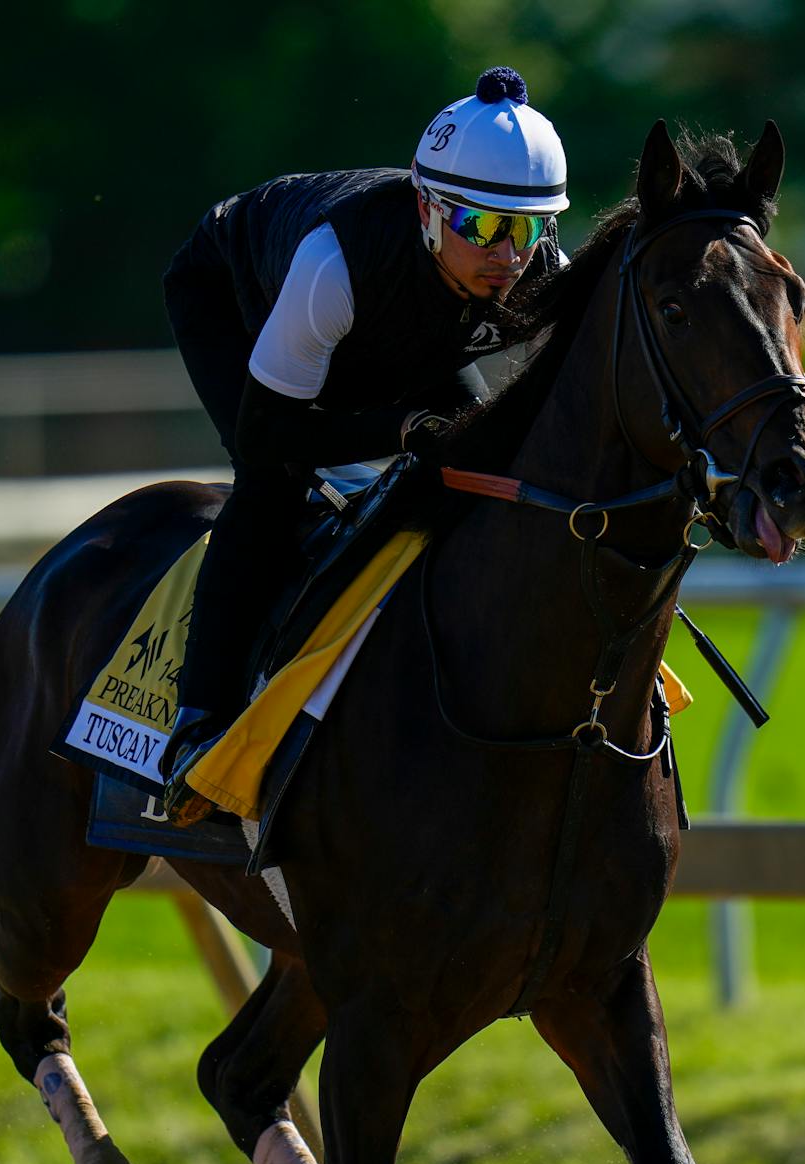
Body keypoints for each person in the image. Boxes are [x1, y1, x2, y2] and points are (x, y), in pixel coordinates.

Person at [155, 65, 570, 804]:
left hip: (397, 323)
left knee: (472, 462)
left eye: (528, 229)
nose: (508, 256)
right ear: (428, 209)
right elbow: (268, 432)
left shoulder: (535, 270)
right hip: (237, 292)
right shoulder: (334, 264)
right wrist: (402, 426)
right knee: (271, 484)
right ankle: (199, 723)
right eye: (484, 227)